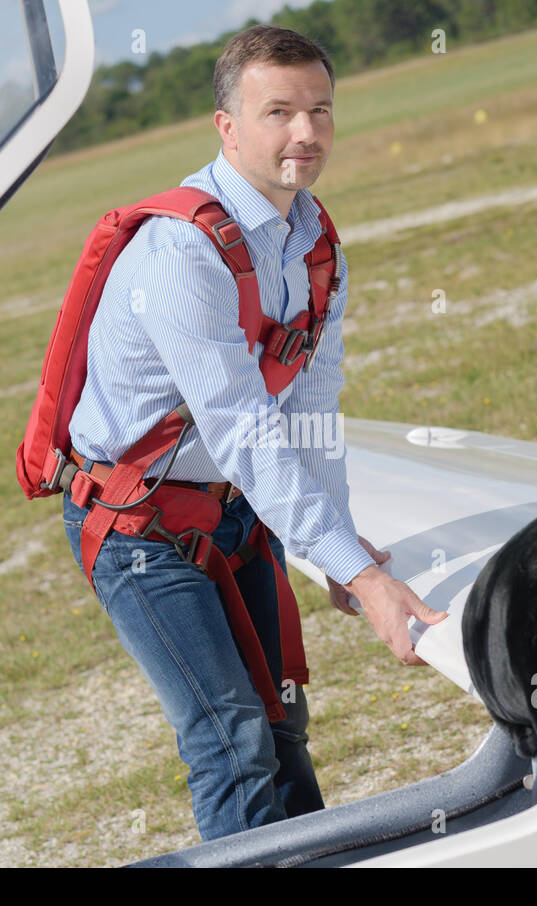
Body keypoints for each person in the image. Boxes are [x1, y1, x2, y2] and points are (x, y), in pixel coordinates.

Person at [61, 24, 447, 841]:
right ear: (227, 127)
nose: (305, 133)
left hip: (233, 512)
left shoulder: (314, 239)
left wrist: (342, 550)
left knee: (280, 726)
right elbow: (245, 431)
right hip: (140, 527)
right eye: (279, 112)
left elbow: (312, 401)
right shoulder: (181, 255)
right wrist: (362, 577)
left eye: (320, 110)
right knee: (232, 741)